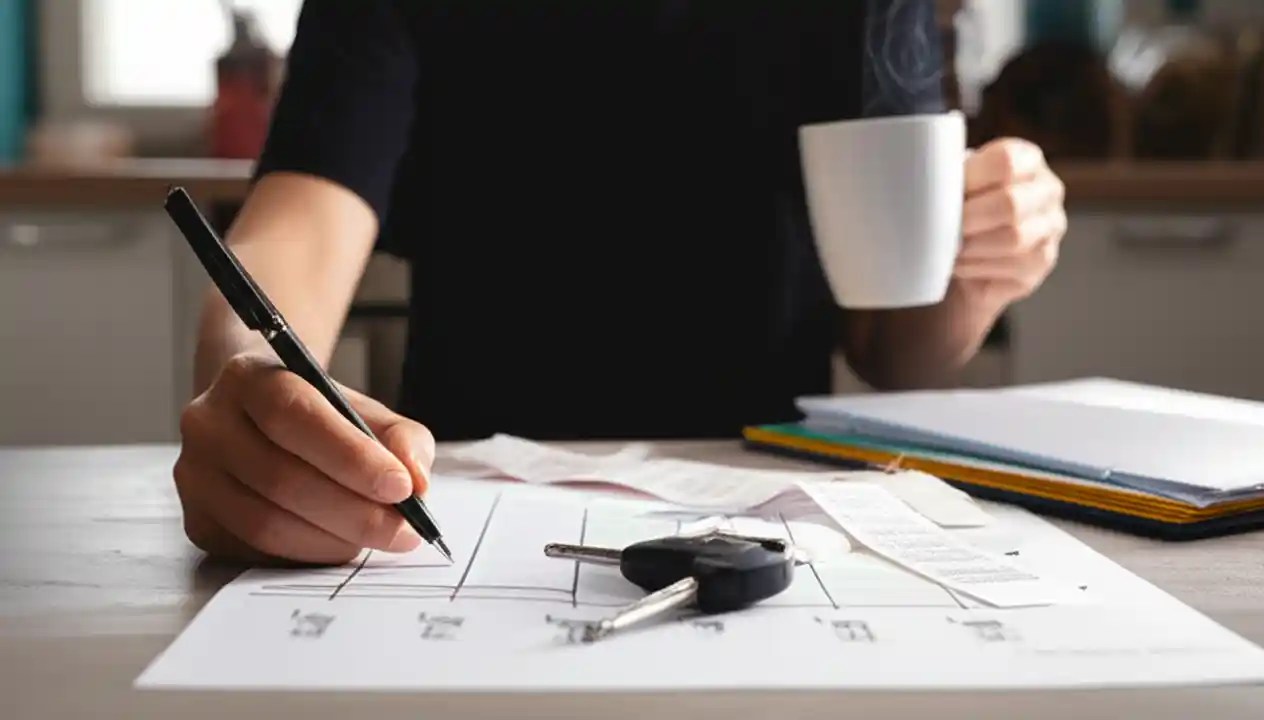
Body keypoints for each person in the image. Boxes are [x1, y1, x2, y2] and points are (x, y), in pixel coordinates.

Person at [174, 1, 1067, 565]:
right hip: (469, 491)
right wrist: (249, 389)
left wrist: (978, 275)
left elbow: (893, 351)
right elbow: (294, 235)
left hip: (787, 517)